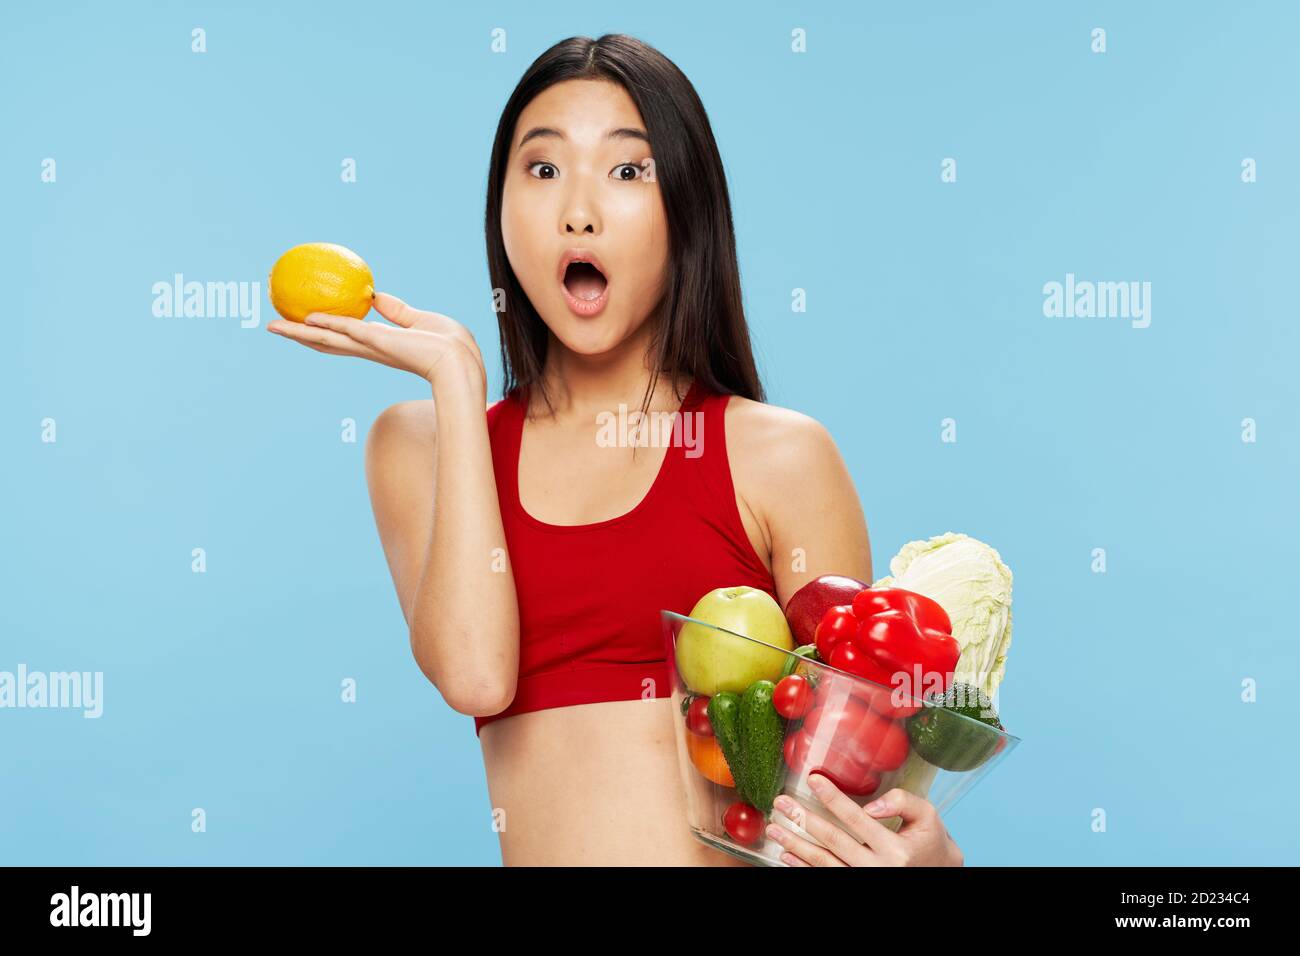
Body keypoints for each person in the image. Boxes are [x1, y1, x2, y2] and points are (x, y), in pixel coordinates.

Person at [267, 33, 962, 868]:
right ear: (501, 208)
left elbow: (840, 784)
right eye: (544, 168)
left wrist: (928, 866)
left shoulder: (780, 457)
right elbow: (477, 681)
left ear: (688, 212)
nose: (579, 210)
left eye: (630, 171)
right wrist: (456, 379)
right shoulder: (420, 446)